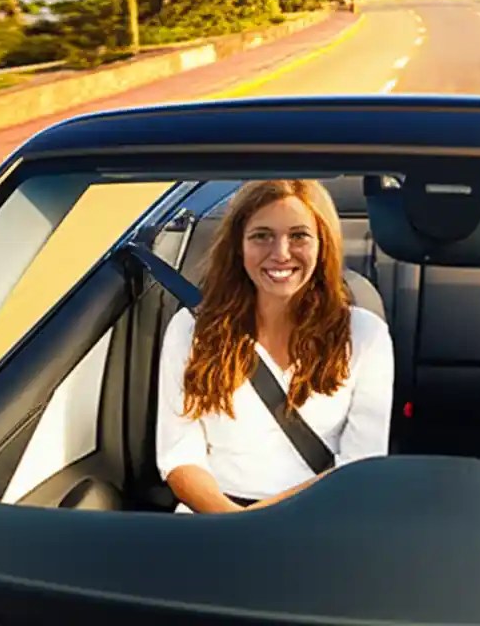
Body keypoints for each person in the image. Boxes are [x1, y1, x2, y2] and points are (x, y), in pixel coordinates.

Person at [156, 179, 394, 513]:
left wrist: (262, 521)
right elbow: (179, 455)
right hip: (213, 519)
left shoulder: (365, 335)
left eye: (299, 236)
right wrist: (233, 522)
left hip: (323, 514)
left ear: (323, 245)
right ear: (238, 246)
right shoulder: (191, 328)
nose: (281, 253)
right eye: (262, 236)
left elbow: (360, 466)